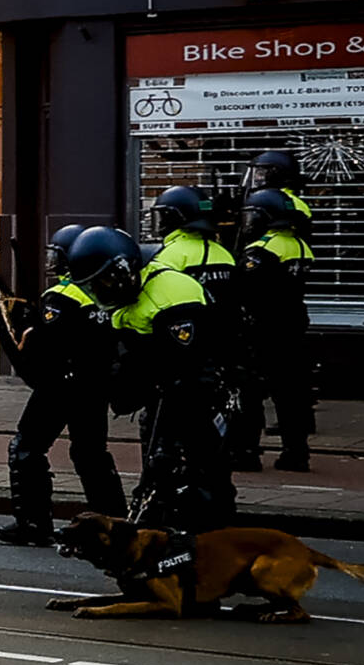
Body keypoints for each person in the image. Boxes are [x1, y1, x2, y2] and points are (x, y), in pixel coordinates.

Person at [84, 226, 232, 530]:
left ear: (122, 272)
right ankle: (165, 536)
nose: (99, 291)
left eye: (102, 282)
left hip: (196, 394)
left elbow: (185, 364)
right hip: (163, 393)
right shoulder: (126, 302)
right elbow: (132, 358)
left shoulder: (172, 294)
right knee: (158, 470)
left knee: (203, 473)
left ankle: (215, 540)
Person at [0, 225, 125, 543]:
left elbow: (44, 345)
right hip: (94, 386)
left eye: (57, 254)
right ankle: (114, 521)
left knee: (27, 448)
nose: (52, 261)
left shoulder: (62, 295)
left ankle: (33, 523)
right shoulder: (105, 293)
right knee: (91, 453)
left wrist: (25, 323)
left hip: (58, 386)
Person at [146, 187, 251, 470]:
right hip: (224, 349)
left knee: (166, 423)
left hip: (182, 354)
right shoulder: (225, 255)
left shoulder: (168, 257)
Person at [241, 186, 317, 473]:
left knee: (250, 394)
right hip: (294, 325)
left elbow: (247, 290)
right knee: (291, 396)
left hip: (263, 330)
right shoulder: (299, 245)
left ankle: (248, 452)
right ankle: (296, 453)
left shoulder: (261, 250)